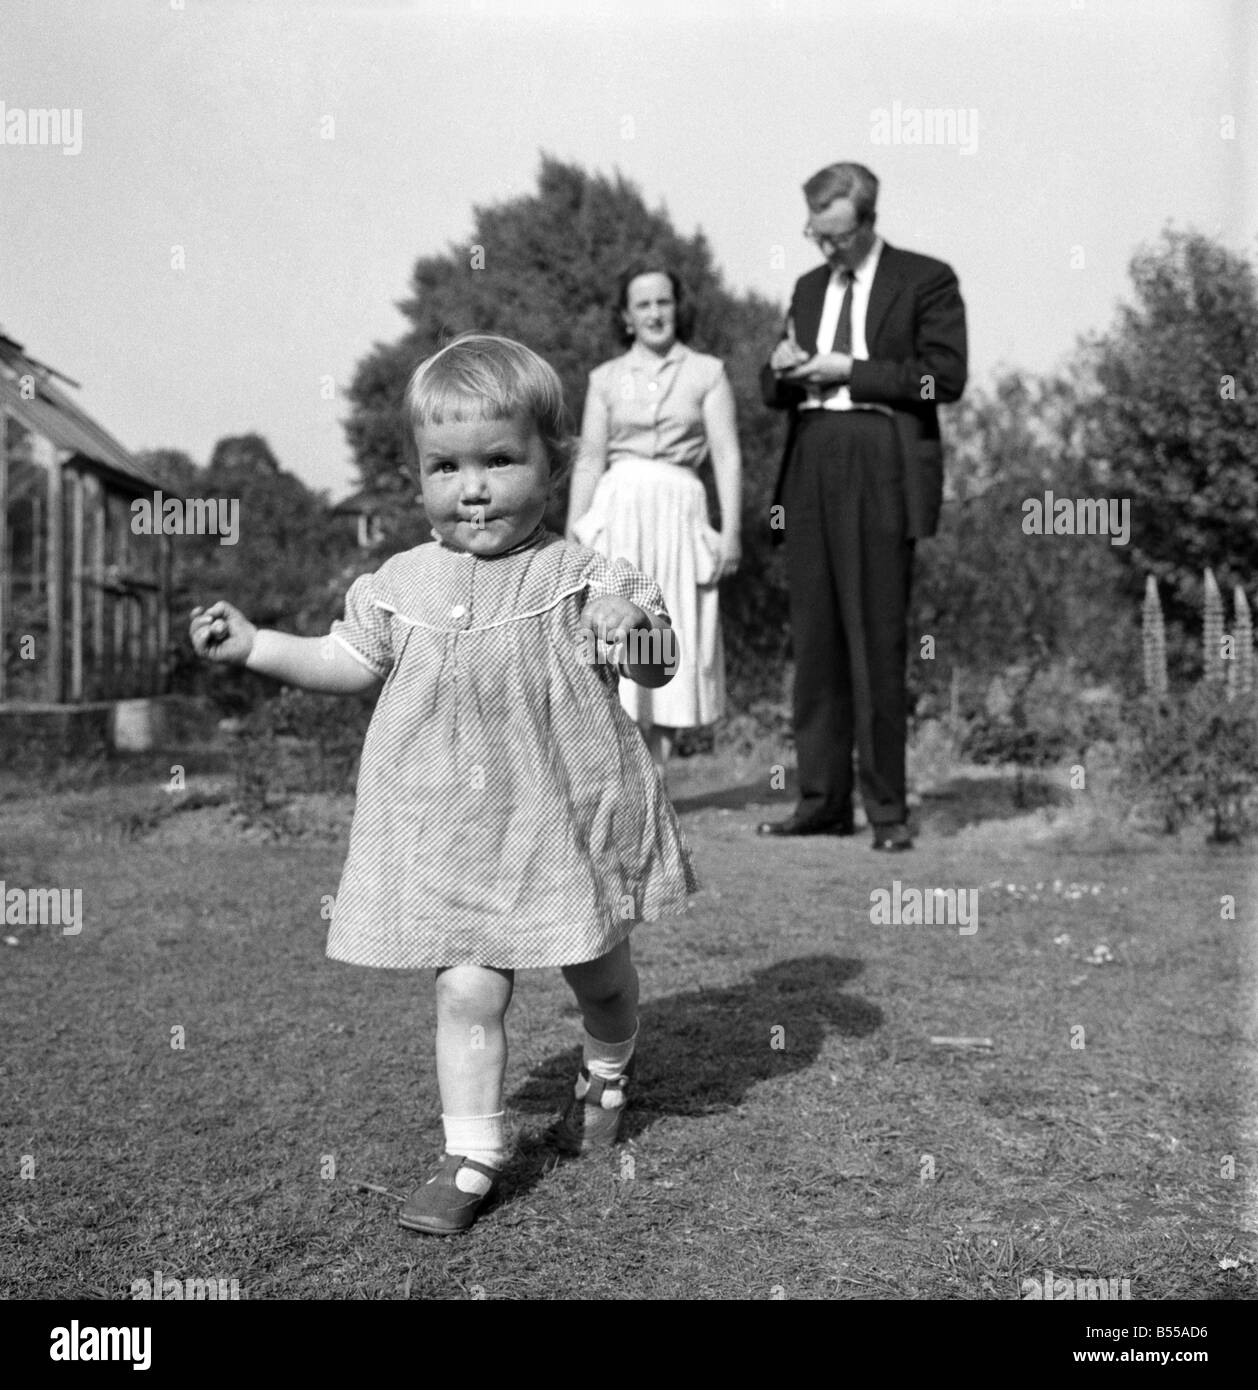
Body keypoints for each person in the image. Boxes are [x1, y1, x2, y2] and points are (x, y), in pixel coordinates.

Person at [190, 333, 696, 1236]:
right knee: (468, 987)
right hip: (453, 828)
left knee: (600, 974)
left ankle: (608, 1068)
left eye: (500, 460)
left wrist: (634, 626)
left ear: (555, 463)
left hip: (562, 818)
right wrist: (258, 644)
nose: (473, 486)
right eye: (446, 466)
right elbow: (345, 660)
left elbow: (657, 667)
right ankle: (473, 1154)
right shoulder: (398, 585)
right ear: (417, 476)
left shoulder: (584, 578)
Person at [758, 163, 967, 851]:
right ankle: (820, 801)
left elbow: (945, 377)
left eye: (836, 239)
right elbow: (771, 386)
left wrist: (848, 369)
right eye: (815, 236)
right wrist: (784, 368)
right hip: (812, 457)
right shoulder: (809, 286)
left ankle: (886, 811)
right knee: (815, 642)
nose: (824, 251)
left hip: (881, 454)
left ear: (866, 222)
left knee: (876, 639)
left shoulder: (926, 278)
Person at [566, 264, 742, 772]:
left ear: (677, 307)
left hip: (680, 509)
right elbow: (589, 458)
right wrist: (571, 534)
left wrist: (730, 533)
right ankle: (621, 769)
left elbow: (726, 455)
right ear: (625, 316)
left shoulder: (708, 371)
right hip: (620, 506)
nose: (654, 313)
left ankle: (658, 768)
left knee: (671, 621)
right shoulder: (604, 379)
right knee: (617, 620)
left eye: (663, 302)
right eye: (642, 305)